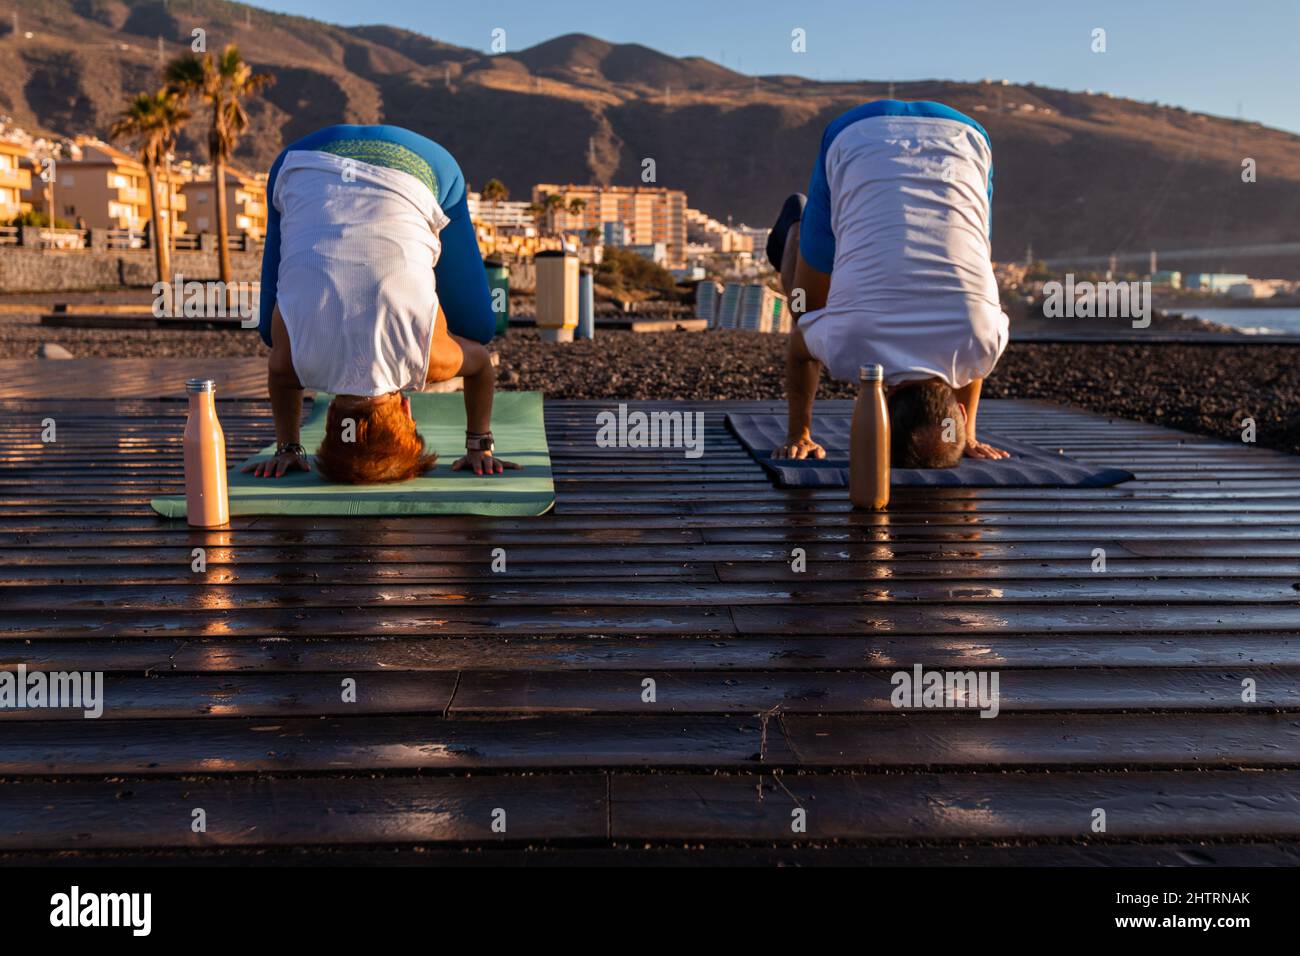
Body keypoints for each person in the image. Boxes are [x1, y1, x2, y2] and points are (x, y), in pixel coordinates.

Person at [245, 124, 519, 482]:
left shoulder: (428, 361)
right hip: (300, 162)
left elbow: (481, 364)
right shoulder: (294, 366)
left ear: (406, 411)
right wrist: (288, 447)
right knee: (272, 333)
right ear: (330, 421)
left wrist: (479, 445)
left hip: (419, 161)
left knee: (479, 331)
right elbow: (281, 378)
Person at [766, 100, 1011, 468]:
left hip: (967, 138)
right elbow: (801, 351)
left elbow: (973, 361)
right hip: (851, 138)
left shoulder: (984, 341)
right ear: (877, 408)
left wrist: (967, 432)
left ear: (959, 410)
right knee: (802, 310)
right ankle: (796, 228)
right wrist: (799, 433)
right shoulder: (847, 346)